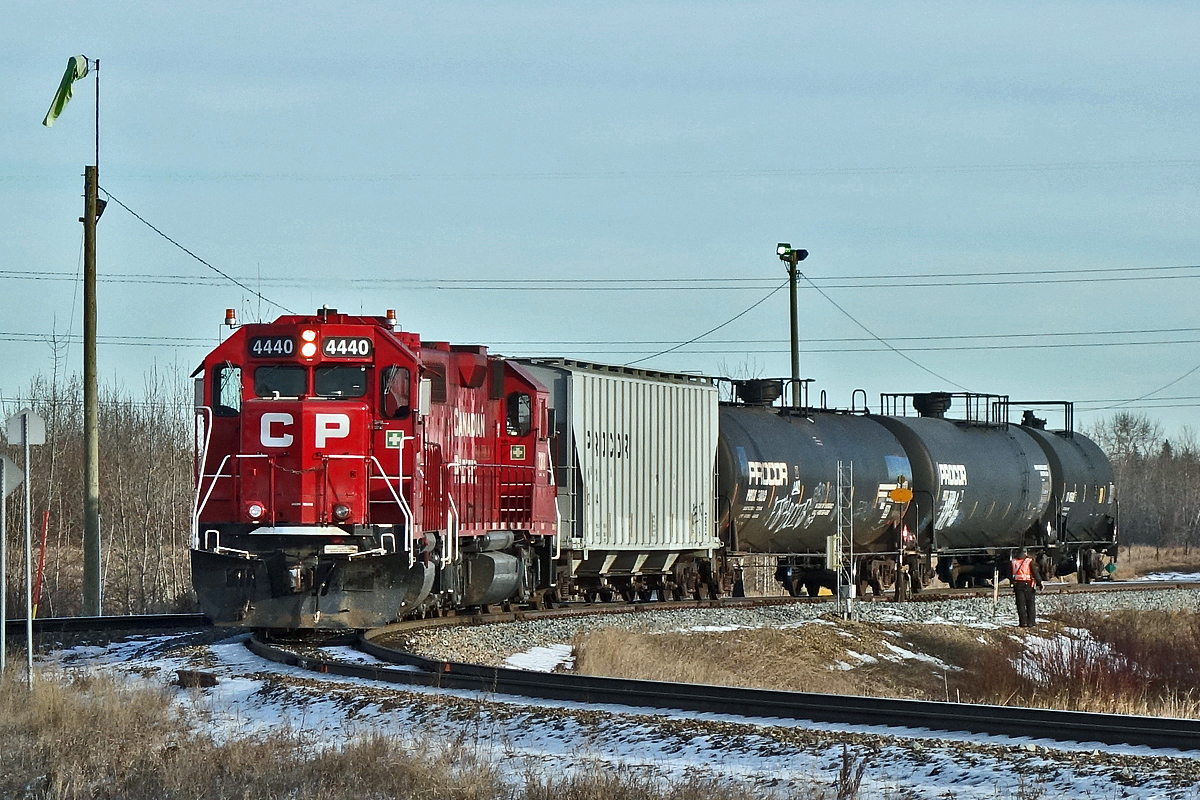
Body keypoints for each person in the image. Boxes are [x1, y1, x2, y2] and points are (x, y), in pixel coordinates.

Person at [1010, 547, 1043, 628]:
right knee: (1030, 604)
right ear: (1025, 553)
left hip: (1017, 585)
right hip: (1028, 584)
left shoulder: (1013, 562)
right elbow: (1035, 572)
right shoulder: (1029, 561)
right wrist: (1040, 582)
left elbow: (1009, 573)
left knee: (1020, 604)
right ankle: (1031, 622)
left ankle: (1023, 622)